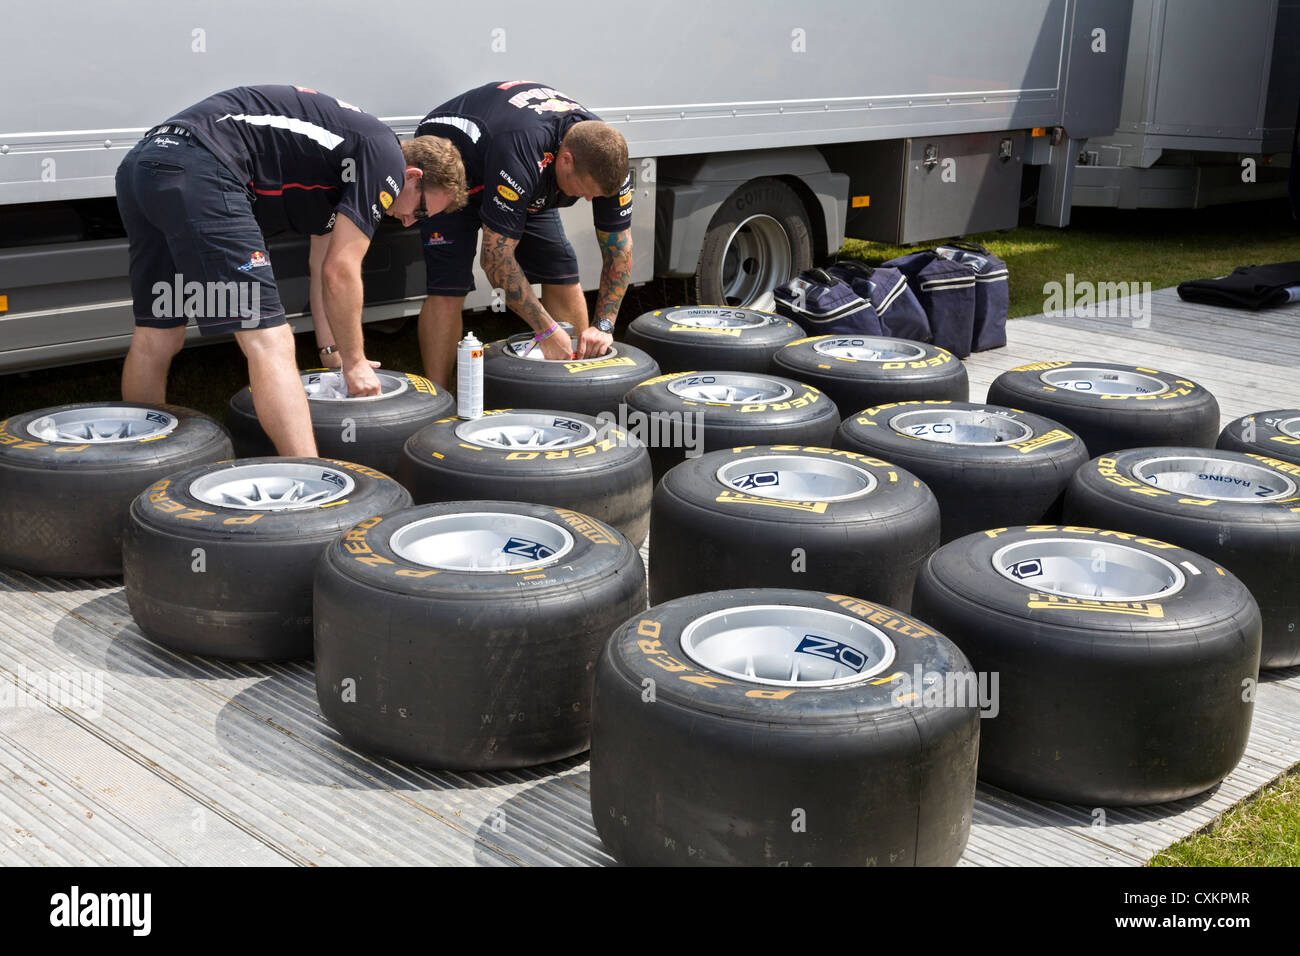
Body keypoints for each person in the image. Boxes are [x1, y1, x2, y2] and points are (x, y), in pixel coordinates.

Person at [115, 85, 466, 455]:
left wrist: (333, 351)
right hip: (202, 167)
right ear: (410, 175)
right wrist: (357, 363)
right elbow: (341, 271)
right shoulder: (384, 158)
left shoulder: (345, 158)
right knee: (271, 340)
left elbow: (322, 267)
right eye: (422, 209)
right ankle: (312, 487)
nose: (411, 221)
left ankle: (134, 464)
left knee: (160, 333)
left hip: (146, 167)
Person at [412, 81, 634, 386]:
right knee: (448, 287)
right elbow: (495, 260)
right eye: (585, 190)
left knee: (560, 270)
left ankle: (579, 382)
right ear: (566, 160)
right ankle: (438, 397)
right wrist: (545, 328)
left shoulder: (605, 159)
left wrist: (604, 325)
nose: (588, 200)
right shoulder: (522, 151)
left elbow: (618, 250)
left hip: (525, 176)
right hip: (454, 170)